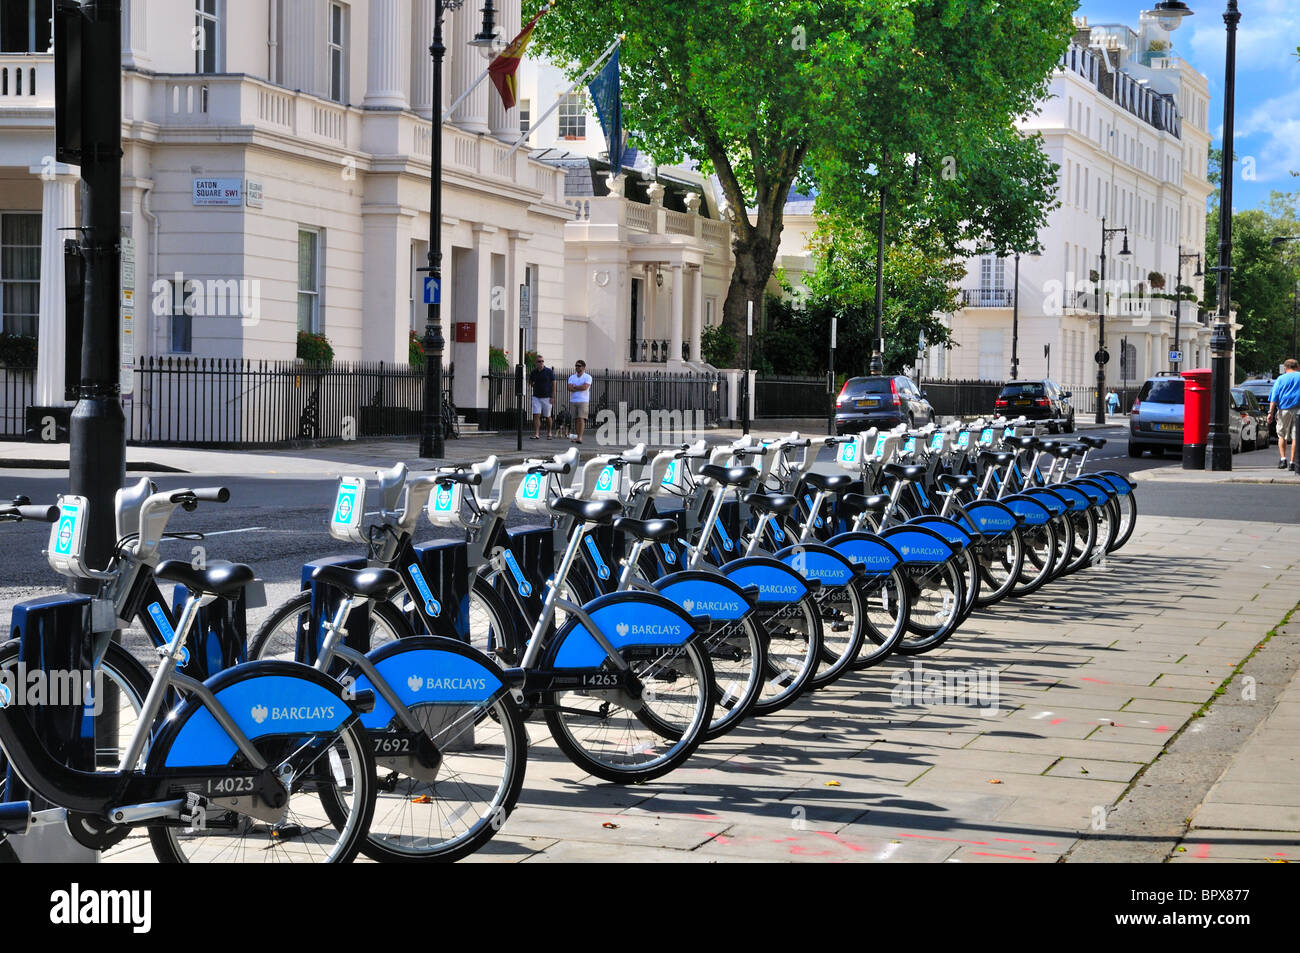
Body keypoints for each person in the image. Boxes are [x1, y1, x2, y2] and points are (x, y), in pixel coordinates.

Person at [1267, 358, 1300, 472]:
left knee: (1282, 435)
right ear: (1298, 367)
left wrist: (1270, 412)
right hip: (1299, 410)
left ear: (1285, 368)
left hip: (1284, 410)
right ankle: (1293, 462)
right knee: (1296, 436)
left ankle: (1283, 459)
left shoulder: (1280, 379)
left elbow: (1274, 396)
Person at [527, 354, 555, 440]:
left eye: (542, 361)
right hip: (536, 396)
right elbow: (531, 382)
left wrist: (552, 396)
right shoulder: (534, 372)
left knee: (548, 416)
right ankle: (536, 434)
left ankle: (549, 432)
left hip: (547, 397)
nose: (541, 363)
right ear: (536, 362)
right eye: (539, 361)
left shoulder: (549, 371)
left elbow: (554, 383)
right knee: (536, 415)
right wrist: (532, 384)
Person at [567, 359, 592, 443]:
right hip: (573, 400)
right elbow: (569, 388)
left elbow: (585, 387)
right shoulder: (572, 377)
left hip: (583, 400)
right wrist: (578, 387)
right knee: (576, 419)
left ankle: (580, 437)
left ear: (583, 367)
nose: (577, 367)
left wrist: (575, 387)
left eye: (579, 366)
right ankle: (577, 437)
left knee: (581, 418)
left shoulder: (587, 377)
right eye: (576, 366)